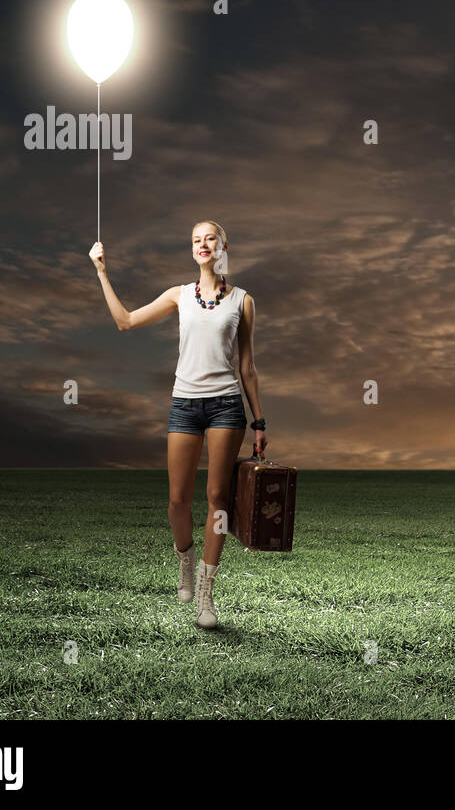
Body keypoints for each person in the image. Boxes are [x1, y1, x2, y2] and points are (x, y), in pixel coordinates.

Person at [88, 220, 267, 629]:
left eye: (210, 238)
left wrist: (259, 420)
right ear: (192, 250)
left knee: (218, 497)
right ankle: (185, 561)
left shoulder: (243, 301)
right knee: (177, 501)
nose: (203, 244)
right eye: (196, 240)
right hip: (185, 404)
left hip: (226, 406)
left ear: (224, 247)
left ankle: (206, 591)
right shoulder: (179, 295)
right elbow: (125, 321)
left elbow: (247, 367)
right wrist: (101, 272)